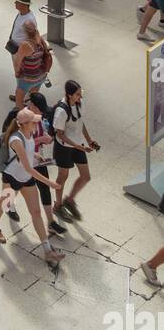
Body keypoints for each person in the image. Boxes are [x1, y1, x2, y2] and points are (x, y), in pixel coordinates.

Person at [0, 107, 64, 264]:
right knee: (5, 204)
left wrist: (36, 155)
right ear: (24, 123)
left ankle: (48, 250)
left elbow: (27, 154)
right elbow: (28, 166)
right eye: (34, 121)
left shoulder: (28, 134)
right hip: (12, 178)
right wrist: (50, 183)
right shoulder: (15, 139)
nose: (37, 123)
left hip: (26, 179)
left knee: (35, 212)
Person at [52, 80, 98, 223]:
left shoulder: (79, 104)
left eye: (80, 93)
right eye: (78, 94)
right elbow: (60, 134)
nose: (80, 96)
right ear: (69, 95)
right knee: (62, 177)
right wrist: (78, 147)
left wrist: (89, 140)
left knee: (86, 176)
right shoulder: (61, 111)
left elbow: (80, 122)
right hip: (63, 147)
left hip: (78, 144)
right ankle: (58, 206)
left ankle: (69, 200)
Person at [11, 19, 52, 105]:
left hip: (28, 79)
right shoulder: (40, 39)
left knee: (19, 103)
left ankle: (23, 116)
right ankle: (31, 110)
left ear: (24, 32)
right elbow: (47, 54)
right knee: (32, 99)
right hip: (41, 76)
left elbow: (18, 62)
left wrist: (17, 73)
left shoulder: (26, 45)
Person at [6, 0, 37, 99]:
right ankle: (21, 94)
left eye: (17, 2)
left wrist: (23, 53)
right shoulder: (20, 14)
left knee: (22, 74)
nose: (15, 3)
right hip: (15, 50)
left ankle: (22, 96)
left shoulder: (29, 20)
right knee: (18, 73)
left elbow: (32, 39)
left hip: (22, 52)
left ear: (23, 5)